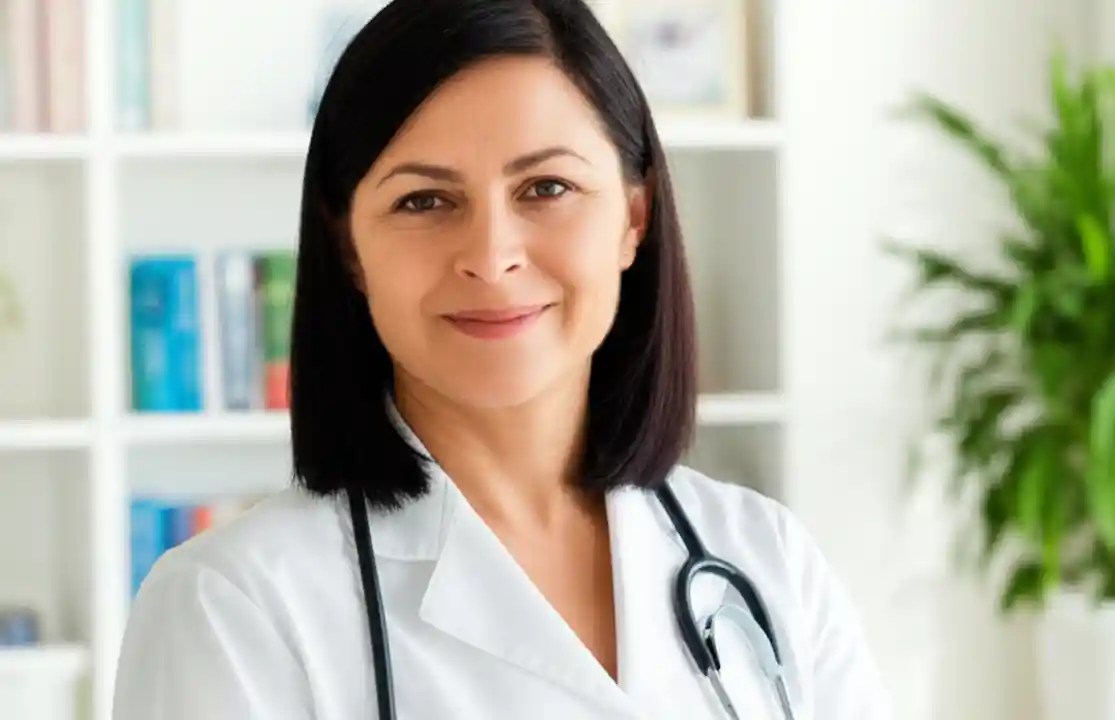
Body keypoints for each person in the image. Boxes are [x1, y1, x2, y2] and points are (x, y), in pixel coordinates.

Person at [112, 1, 891, 717]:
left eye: (546, 187)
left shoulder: (768, 560)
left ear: (634, 216)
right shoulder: (233, 606)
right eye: (424, 201)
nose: (491, 257)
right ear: (350, 248)